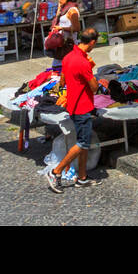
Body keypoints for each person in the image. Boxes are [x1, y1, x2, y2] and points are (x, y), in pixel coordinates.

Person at [44, 27, 102, 191]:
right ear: (91, 42)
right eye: (94, 44)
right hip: (82, 106)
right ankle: (56, 172)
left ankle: (82, 177)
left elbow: (62, 82)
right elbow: (94, 88)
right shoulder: (83, 62)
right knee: (82, 143)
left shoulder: (68, 57)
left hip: (73, 104)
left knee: (83, 143)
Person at [46, 0, 80, 70]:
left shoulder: (72, 10)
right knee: (58, 68)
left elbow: (77, 28)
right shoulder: (64, 9)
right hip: (61, 45)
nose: (59, 0)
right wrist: (59, 7)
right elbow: (56, 20)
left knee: (68, 69)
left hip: (68, 45)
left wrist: (62, 28)